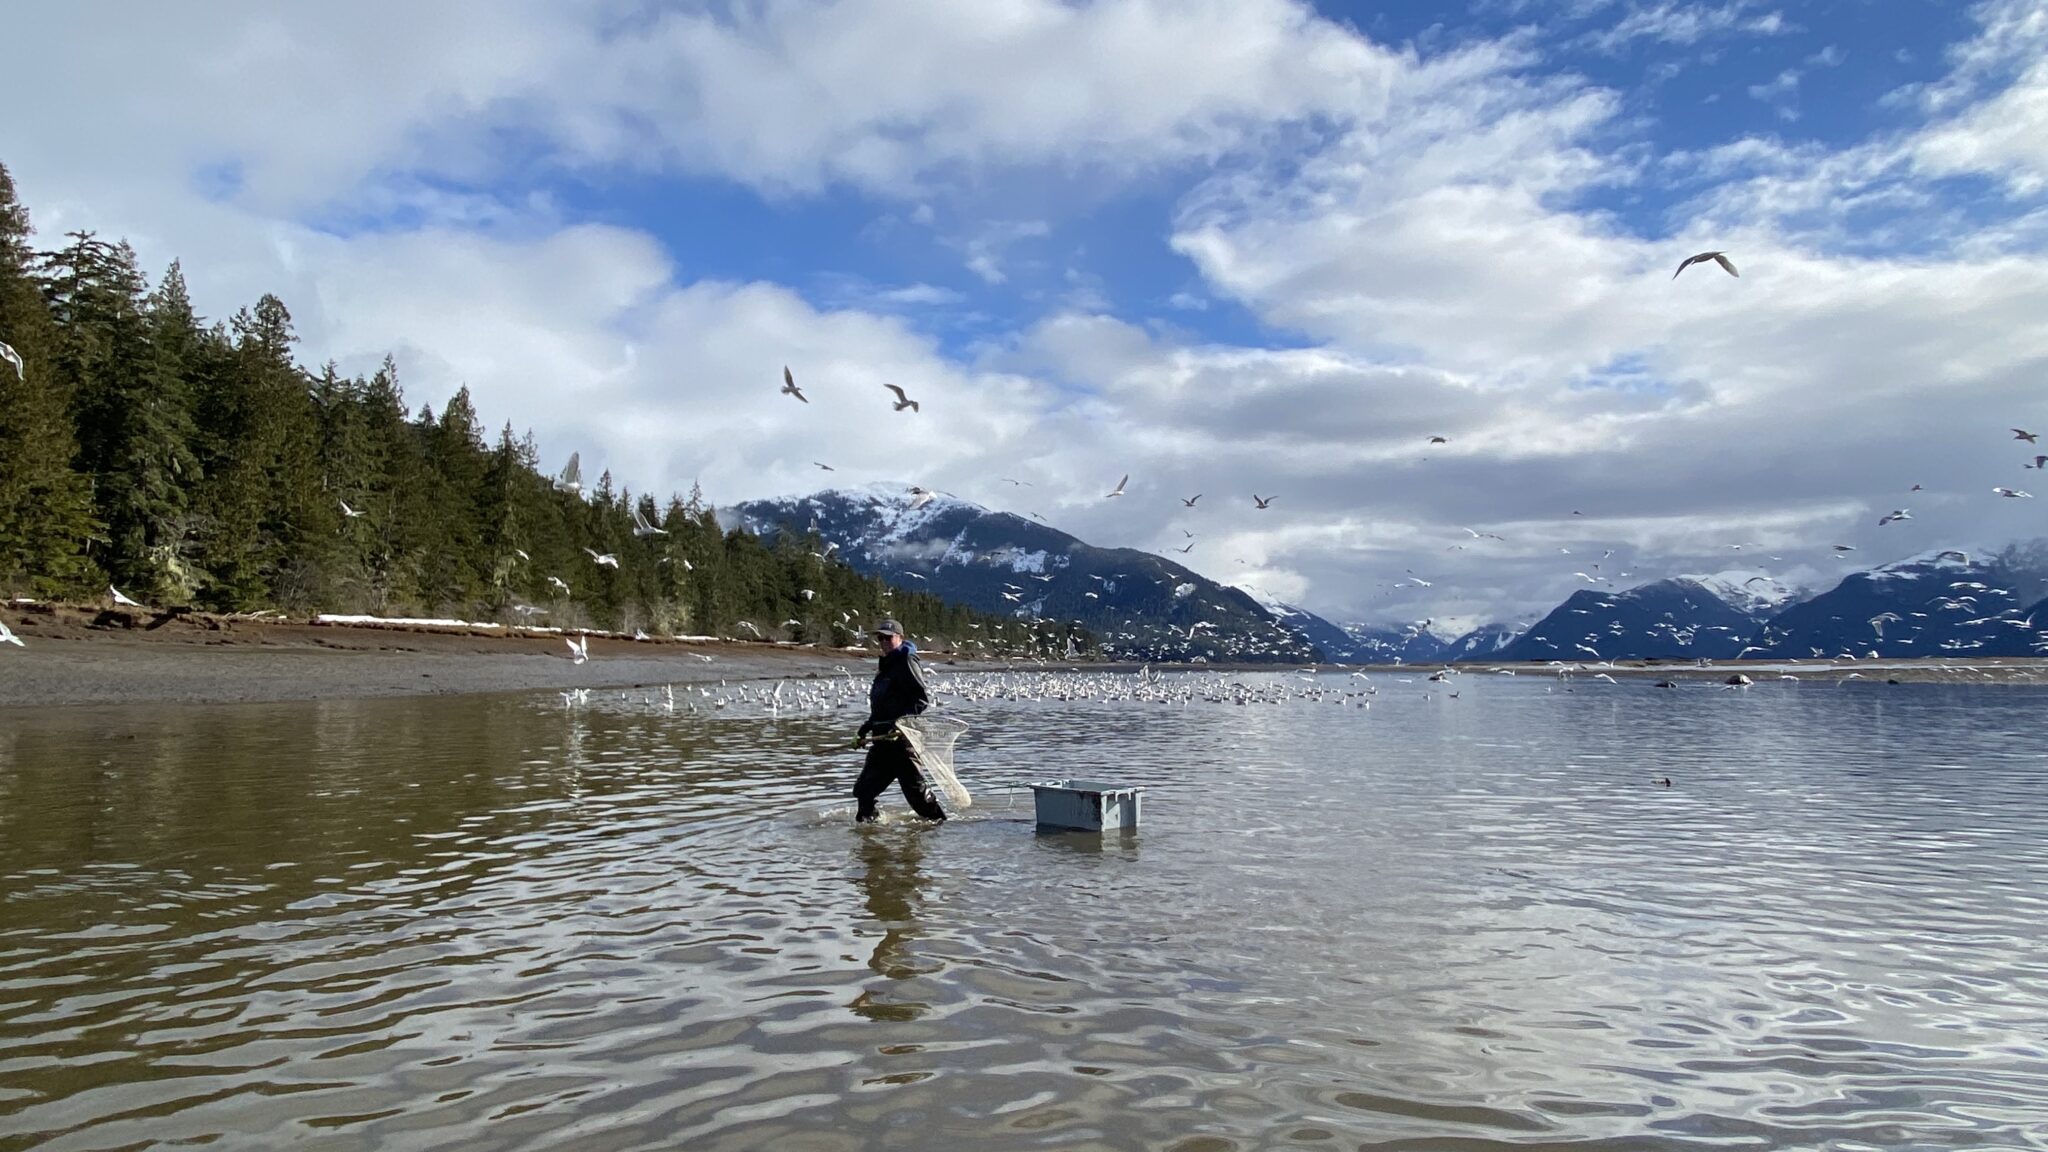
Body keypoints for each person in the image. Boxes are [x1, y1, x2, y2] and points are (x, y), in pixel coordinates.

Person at [853, 618, 946, 823]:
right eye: (880, 638)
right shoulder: (886, 666)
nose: (884, 642)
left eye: (888, 638)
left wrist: (901, 723)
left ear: (900, 638)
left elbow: (920, 700)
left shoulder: (906, 661)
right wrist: (866, 727)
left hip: (902, 742)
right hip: (881, 741)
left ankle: (941, 826)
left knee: (918, 796)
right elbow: (883, 706)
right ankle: (871, 830)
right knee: (863, 791)